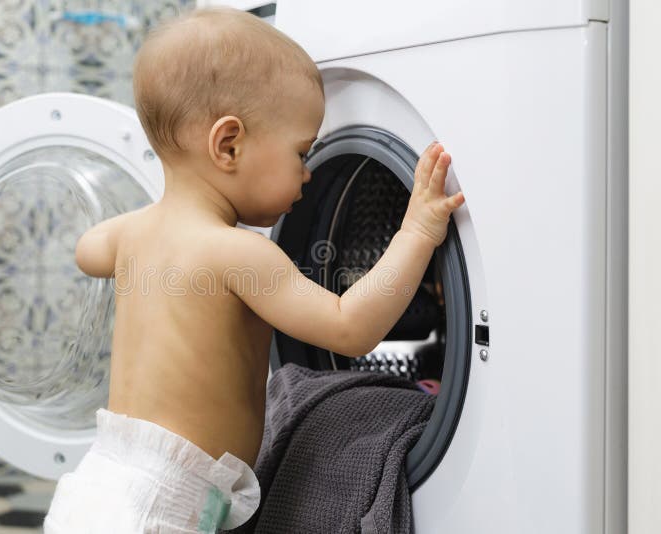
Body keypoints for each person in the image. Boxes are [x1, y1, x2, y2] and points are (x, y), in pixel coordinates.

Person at [43, 6, 465, 533]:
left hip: (103, 480)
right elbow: (351, 328)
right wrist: (417, 233)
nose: (308, 174)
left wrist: (148, 227)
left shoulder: (135, 234)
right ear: (228, 145)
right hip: (167, 505)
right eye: (300, 152)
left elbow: (88, 250)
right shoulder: (239, 254)